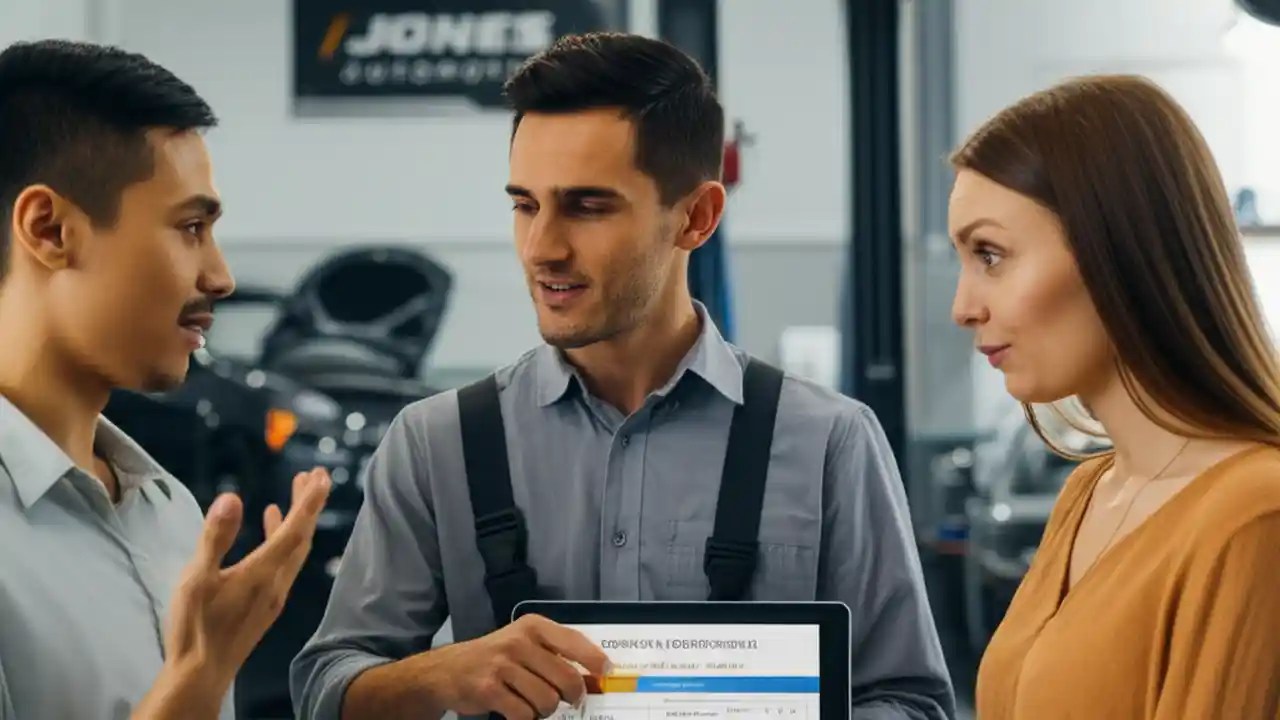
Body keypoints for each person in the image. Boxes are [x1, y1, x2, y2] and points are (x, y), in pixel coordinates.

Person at [291, 31, 954, 720]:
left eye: (587, 206)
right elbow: (327, 685)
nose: (542, 247)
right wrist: (445, 675)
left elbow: (908, 700)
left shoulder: (830, 444)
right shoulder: (436, 445)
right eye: (525, 204)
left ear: (696, 217)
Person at [0, 39, 331, 720]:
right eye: (189, 227)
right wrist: (198, 680)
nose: (221, 276)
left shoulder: (172, 514)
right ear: (50, 228)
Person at [948, 74, 1280, 719]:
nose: (963, 307)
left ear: (1114, 248)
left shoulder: (1253, 516)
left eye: (991, 255)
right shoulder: (1088, 491)